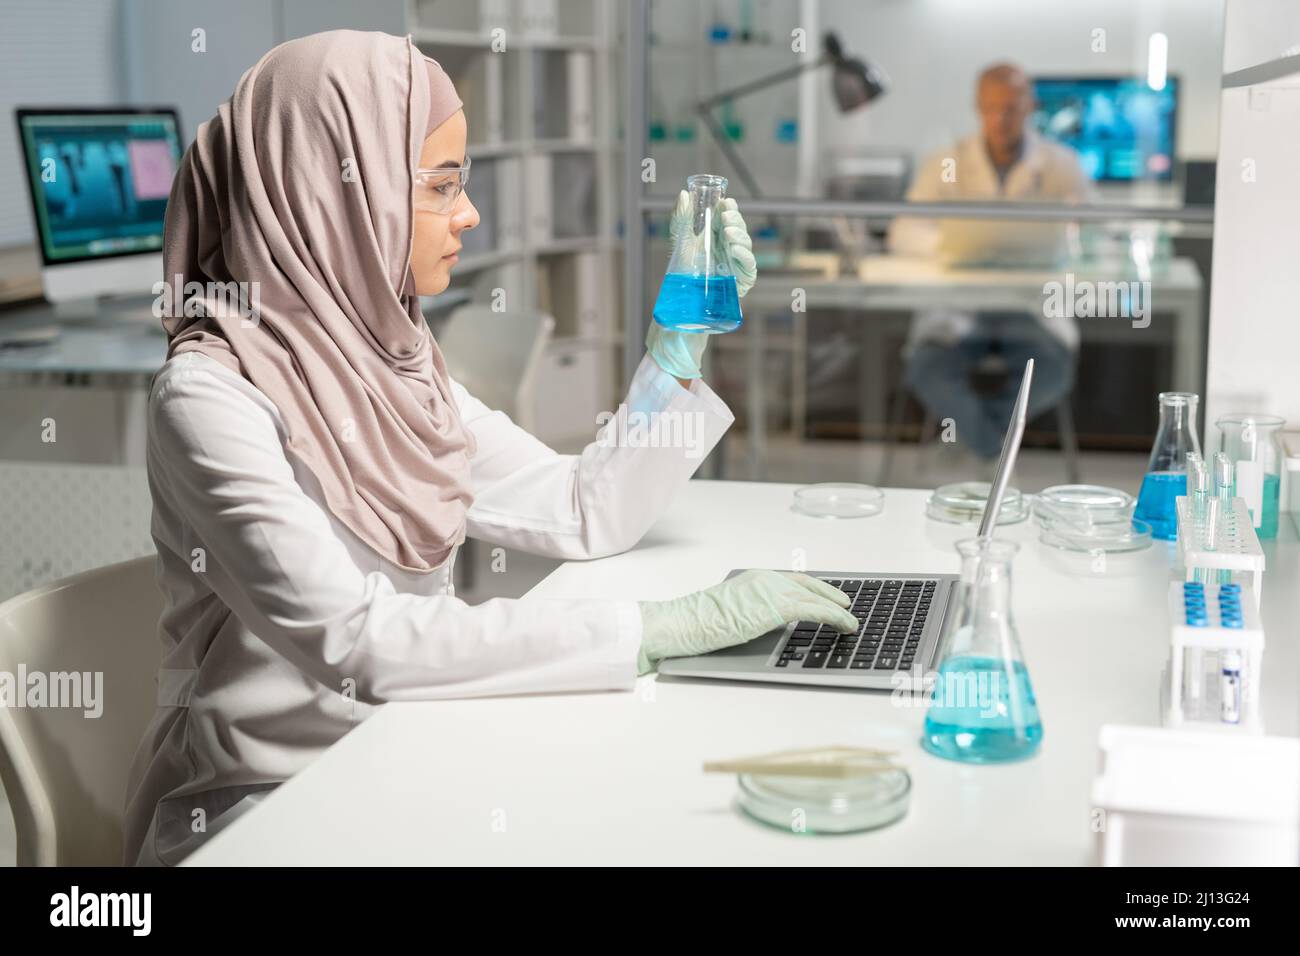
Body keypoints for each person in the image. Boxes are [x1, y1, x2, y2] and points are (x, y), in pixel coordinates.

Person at [123, 30, 858, 866]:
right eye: (440, 186)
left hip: (404, 749)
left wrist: (675, 349)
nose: (469, 213)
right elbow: (359, 642)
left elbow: (583, 510)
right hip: (267, 811)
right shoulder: (209, 398)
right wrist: (656, 628)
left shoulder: (396, 365)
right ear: (332, 193)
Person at [888, 63, 1094, 460]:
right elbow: (903, 231)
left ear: (1030, 107)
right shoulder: (944, 162)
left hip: (1029, 306)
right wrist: (954, 245)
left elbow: (1093, 230)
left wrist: (1060, 240)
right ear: (978, 107)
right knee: (928, 370)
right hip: (960, 304)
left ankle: (983, 442)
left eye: (1012, 107)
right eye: (992, 107)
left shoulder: (1061, 164)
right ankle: (998, 448)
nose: (1002, 118)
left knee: (1052, 372)